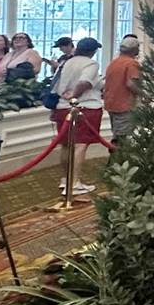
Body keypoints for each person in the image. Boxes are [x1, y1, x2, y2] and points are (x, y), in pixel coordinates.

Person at [52, 37, 104, 198]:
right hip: (84, 107)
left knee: (66, 144)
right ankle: (74, 183)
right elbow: (84, 82)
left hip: (62, 107)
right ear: (93, 51)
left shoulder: (67, 62)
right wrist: (74, 95)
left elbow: (56, 83)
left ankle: (65, 179)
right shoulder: (91, 64)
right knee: (80, 145)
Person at [102, 35, 142, 141]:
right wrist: (143, 94)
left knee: (116, 133)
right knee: (122, 137)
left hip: (111, 103)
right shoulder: (132, 63)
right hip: (125, 104)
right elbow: (130, 84)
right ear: (134, 49)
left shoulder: (113, 63)